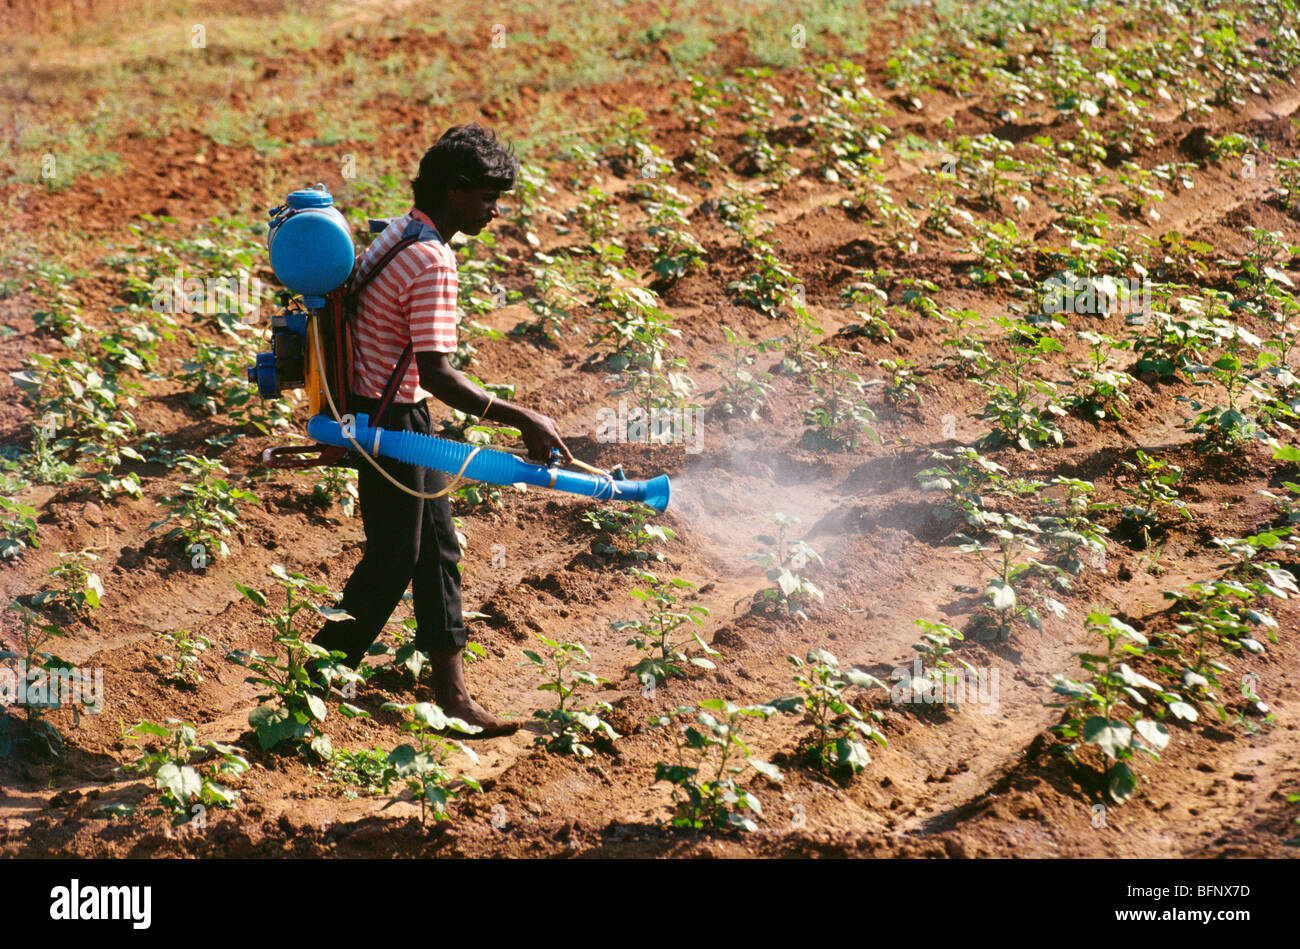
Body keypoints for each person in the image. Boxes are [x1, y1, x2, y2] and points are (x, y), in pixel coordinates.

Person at [313, 123, 571, 738]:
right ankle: (311, 684)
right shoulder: (432, 259)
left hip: (381, 410)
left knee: (437, 553)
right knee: (395, 557)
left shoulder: (400, 231)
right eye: (486, 197)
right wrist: (522, 417)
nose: (494, 210)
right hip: (390, 420)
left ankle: (453, 696)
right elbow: (440, 375)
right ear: (455, 192)